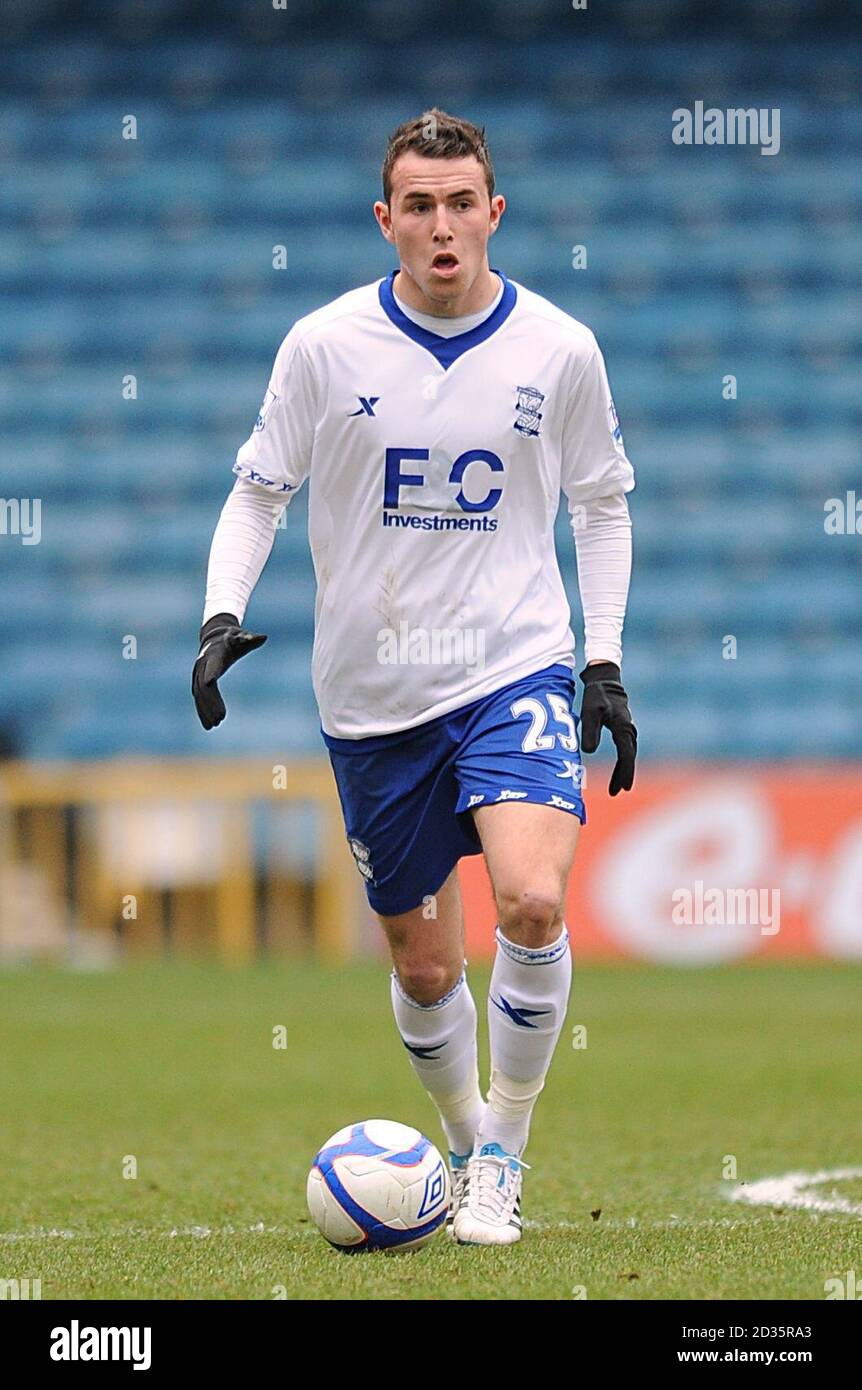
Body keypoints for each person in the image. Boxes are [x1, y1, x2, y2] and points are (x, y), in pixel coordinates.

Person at [193, 108, 637, 1246]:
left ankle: (503, 1159)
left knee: (533, 899)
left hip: (511, 665)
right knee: (425, 959)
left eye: (462, 204)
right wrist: (219, 613)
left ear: (495, 212)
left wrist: (601, 660)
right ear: (385, 220)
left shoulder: (560, 350)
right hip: (373, 692)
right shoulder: (324, 346)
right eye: (419, 207)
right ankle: (460, 1131)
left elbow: (600, 501)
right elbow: (259, 489)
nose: (443, 228)